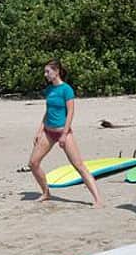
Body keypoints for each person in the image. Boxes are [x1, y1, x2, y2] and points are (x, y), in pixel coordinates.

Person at [28, 60, 105, 207]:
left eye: (48, 72)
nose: (45, 75)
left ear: (56, 72)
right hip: (48, 131)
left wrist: (64, 134)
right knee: (33, 163)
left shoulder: (66, 89)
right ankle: (46, 192)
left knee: (79, 165)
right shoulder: (49, 90)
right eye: (45, 72)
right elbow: (48, 111)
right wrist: (39, 130)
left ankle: (98, 199)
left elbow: (70, 113)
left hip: (63, 131)